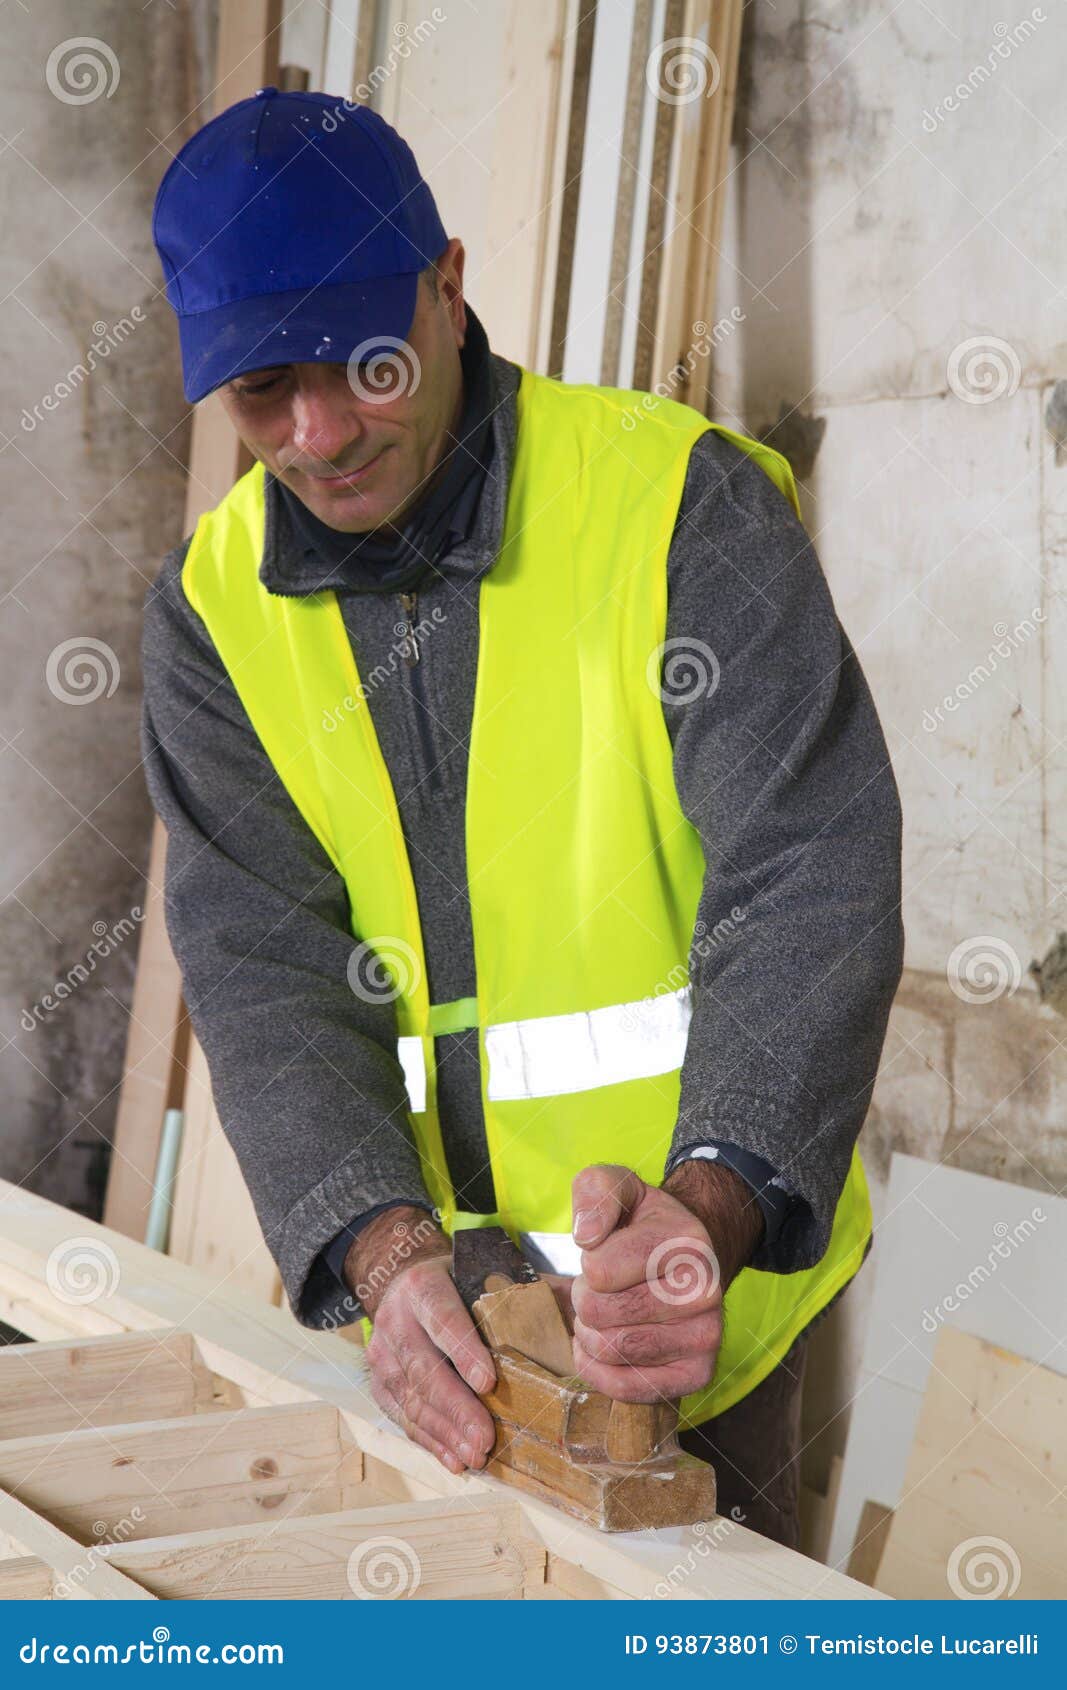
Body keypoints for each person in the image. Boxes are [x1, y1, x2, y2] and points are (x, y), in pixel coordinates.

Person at [144, 87, 903, 1547]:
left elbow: (807, 871)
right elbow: (265, 970)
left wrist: (714, 1205)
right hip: (428, 1332)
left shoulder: (677, 509)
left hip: (701, 1309)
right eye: (261, 390)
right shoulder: (210, 620)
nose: (318, 433)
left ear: (447, 288)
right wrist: (385, 1256)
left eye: (360, 363)